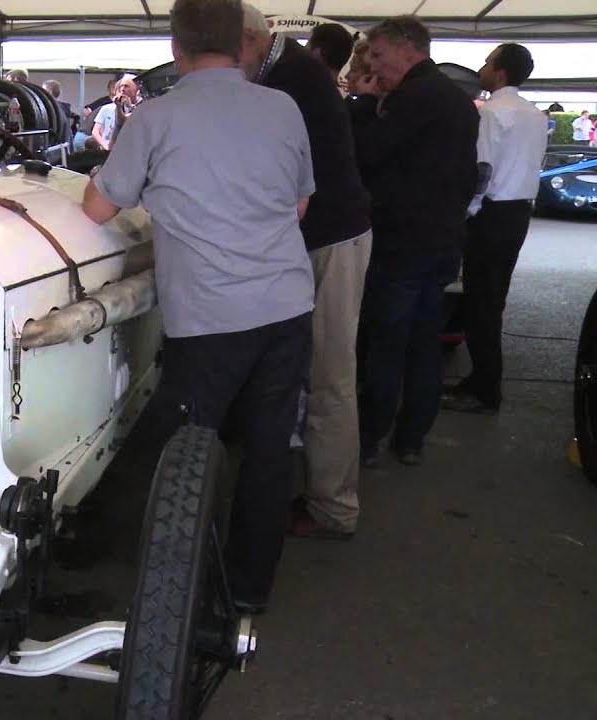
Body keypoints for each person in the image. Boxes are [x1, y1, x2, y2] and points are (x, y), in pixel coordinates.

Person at [83, 0, 315, 613]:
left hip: (211, 314)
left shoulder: (156, 117)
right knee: (269, 450)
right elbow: (298, 206)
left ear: (175, 43)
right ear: (244, 43)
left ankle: (164, 580)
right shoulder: (282, 107)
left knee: (183, 446)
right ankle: (246, 591)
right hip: (287, 303)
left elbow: (97, 209)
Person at [238, 5, 373, 540]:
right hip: (324, 234)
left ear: (249, 39)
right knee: (320, 373)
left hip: (331, 238)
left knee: (331, 377)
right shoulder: (287, 72)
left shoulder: (290, 80)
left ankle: (334, 506)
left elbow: (284, 181)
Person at [350, 16, 479, 467]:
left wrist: (364, 105)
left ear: (408, 47)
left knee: (387, 342)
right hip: (444, 237)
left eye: (378, 55)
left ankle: (368, 438)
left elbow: (367, 153)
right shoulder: (458, 100)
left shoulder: (413, 97)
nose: (374, 66)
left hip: (404, 239)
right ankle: (411, 438)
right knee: (424, 342)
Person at [443, 44, 548, 415]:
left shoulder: (492, 112)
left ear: (500, 72)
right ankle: (482, 378)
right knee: (494, 299)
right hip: (519, 213)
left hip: (490, 214)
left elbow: (481, 170)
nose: (482, 68)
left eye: (487, 62)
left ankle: (485, 390)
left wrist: (466, 212)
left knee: (479, 303)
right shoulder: (535, 115)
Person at [91, 74, 137, 150]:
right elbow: (95, 131)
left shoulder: (133, 107)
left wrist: (129, 106)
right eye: (120, 89)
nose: (122, 92)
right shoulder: (106, 108)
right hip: (107, 147)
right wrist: (105, 146)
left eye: (125, 87)